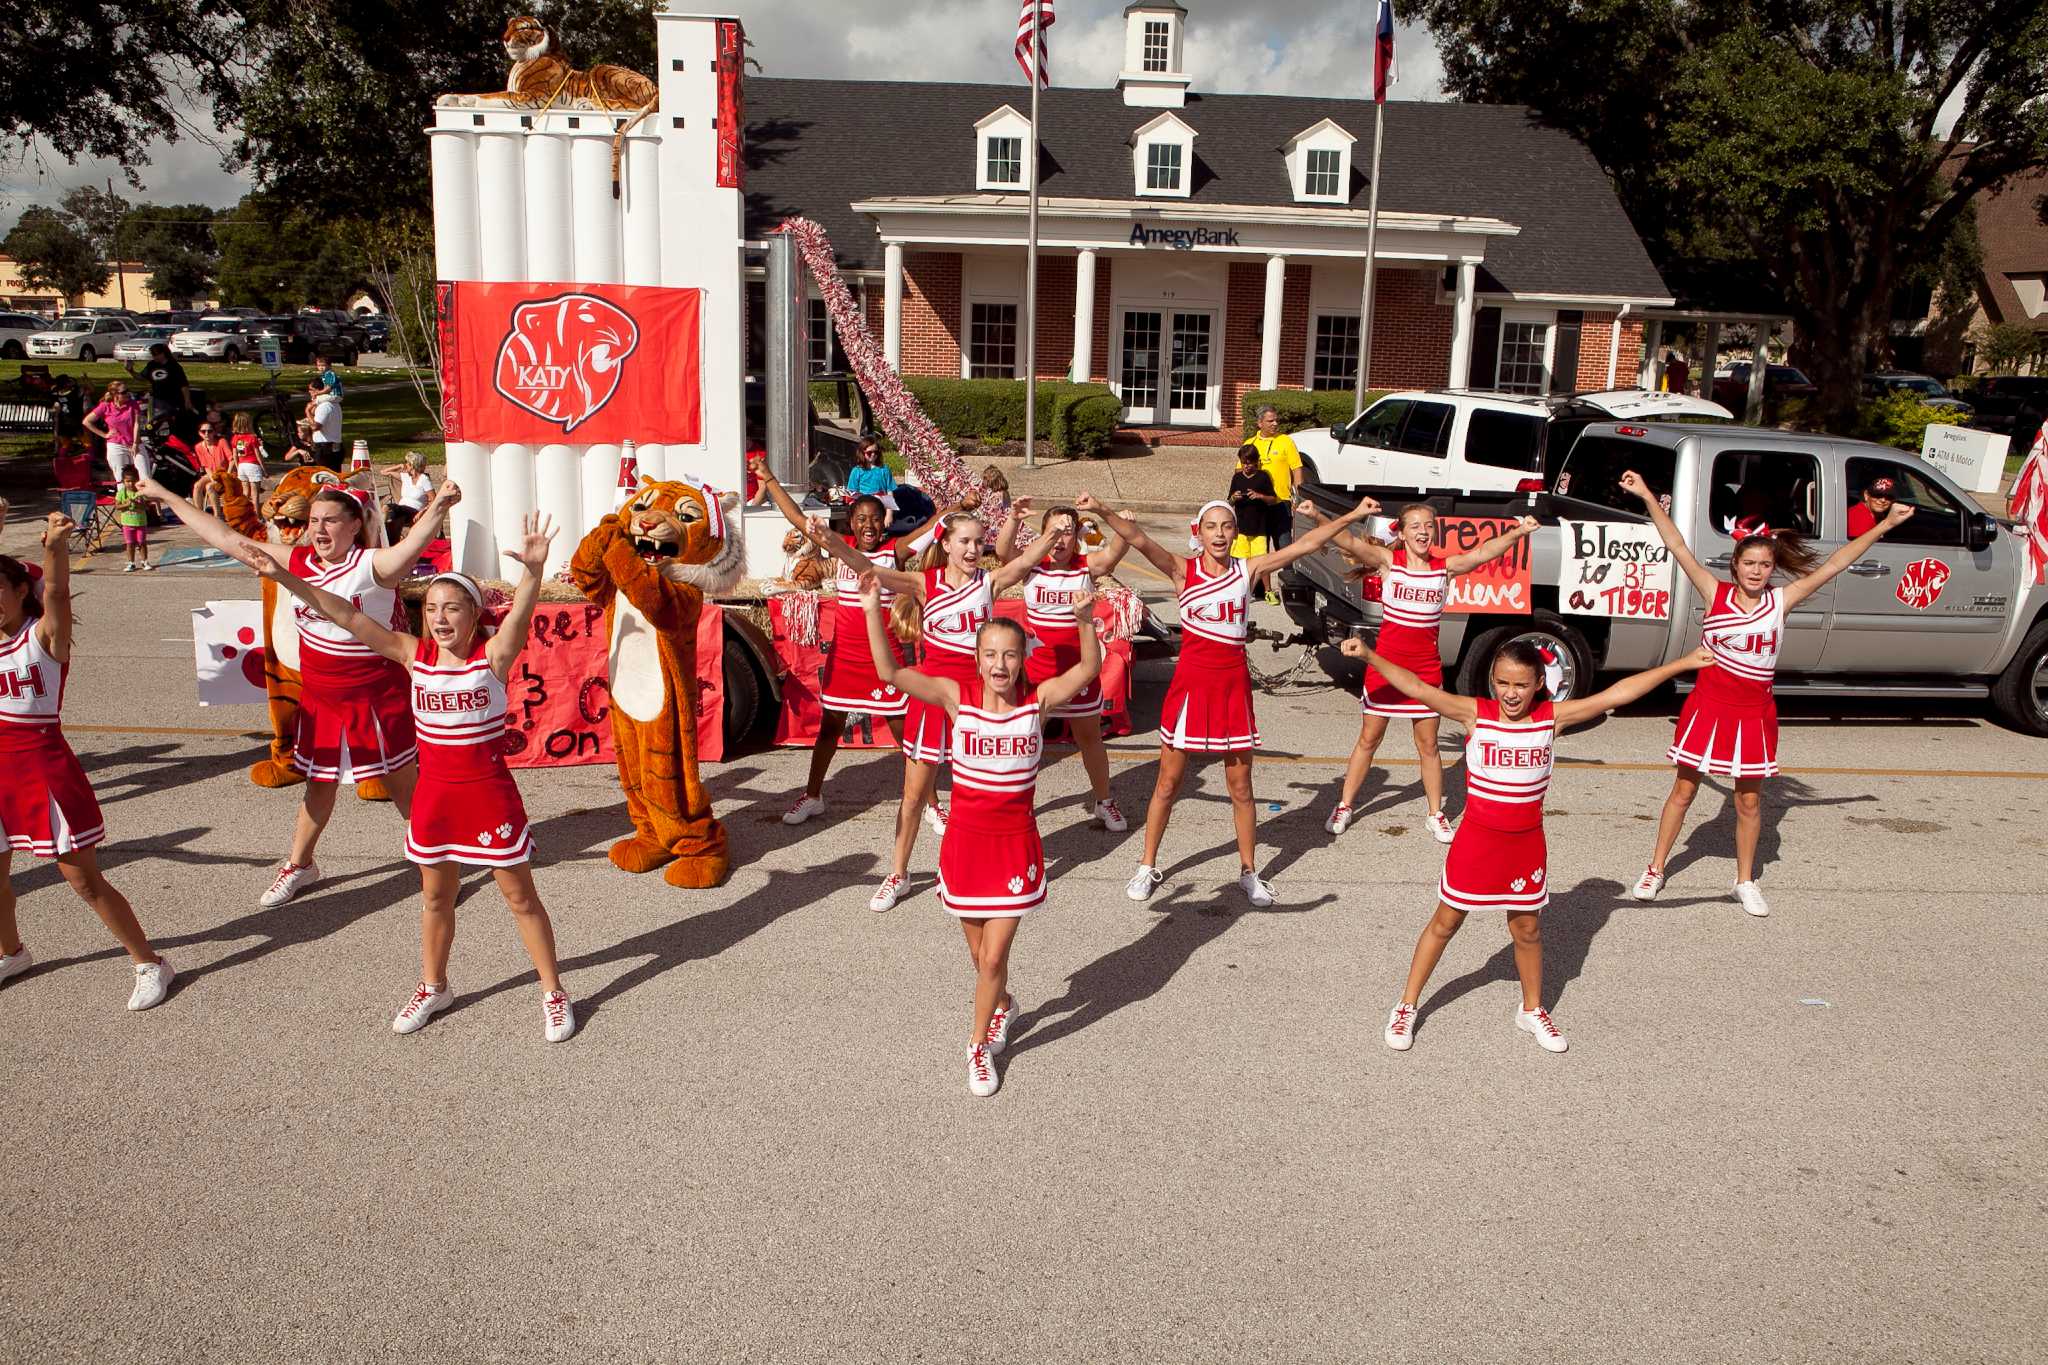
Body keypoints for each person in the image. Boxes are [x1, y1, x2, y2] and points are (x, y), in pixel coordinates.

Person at [237, 514, 575, 1041]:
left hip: (489, 799)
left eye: (453, 609)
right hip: (434, 800)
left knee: (520, 898)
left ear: (473, 615)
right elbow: (346, 616)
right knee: (436, 899)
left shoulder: (492, 658)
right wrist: (287, 581)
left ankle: (553, 992)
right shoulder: (411, 655)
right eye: (433, 608)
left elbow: (520, 620)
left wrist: (533, 573)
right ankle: (435, 986)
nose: (441, 618)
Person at [1351, 636, 1714, 1054]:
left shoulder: (1551, 718)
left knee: (1527, 929)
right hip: (1477, 842)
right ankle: (1407, 1005)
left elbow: (1619, 692)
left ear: (1540, 682)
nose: (1511, 693)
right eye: (1503, 682)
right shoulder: (1475, 714)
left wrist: (1680, 664)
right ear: (1492, 680)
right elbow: (1417, 687)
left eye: (1521, 685)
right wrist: (1371, 656)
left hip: (1525, 845)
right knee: (1445, 923)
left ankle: (1532, 1008)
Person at [139, 469, 462, 906]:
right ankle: (301, 865)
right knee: (318, 785)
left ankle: (436, 868)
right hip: (321, 697)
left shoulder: (373, 566)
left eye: (330, 520)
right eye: (314, 521)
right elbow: (225, 537)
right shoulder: (298, 562)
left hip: (375, 697)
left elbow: (412, 546)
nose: (319, 529)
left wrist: (439, 505)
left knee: (402, 786)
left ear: (354, 525)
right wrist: (163, 492)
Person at [1618, 469, 1915, 915]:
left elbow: (1835, 564)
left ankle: (1744, 880)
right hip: (1708, 706)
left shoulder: (1782, 601)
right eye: (1749, 563)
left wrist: (1884, 525)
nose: (1757, 571)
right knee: (1683, 791)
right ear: (1734, 565)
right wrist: (1645, 495)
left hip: (1753, 711)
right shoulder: (1713, 592)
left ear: (1772, 569)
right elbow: (1677, 546)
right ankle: (1655, 868)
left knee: (1750, 800)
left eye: (1765, 565)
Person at [858, 567, 1102, 1096]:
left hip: (1015, 846)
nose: (1000, 664)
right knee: (978, 958)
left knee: (992, 957)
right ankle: (1005, 1005)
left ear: (1023, 658)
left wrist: (1085, 620)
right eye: (990, 654)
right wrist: (872, 608)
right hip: (964, 845)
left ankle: (977, 1047)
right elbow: (889, 672)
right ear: (976, 657)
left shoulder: (1037, 702)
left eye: (1010, 655)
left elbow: (1086, 668)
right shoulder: (954, 695)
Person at [1078, 490, 1377, 906]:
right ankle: (1147, 865)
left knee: (1241, 787)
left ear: (1237, 532)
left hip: (1233, 690)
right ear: (1198, 533)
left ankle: (1248, 872)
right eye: (1211, 526)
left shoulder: (1247, 569)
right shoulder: (1182, 572)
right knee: (1167, 783)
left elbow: (1305, 544)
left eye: (1227, 525)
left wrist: (1353, 514)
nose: (1220, 533)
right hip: (1189, 690)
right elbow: (1140, 539)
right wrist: (1103, 510)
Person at [807, 503, 1058, 912]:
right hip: (932, 695)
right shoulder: (925, 583)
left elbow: (1027, 561)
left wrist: (1052, 531)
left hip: (978, 699)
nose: (974, 549)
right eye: (965, 541)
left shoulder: (988, 583)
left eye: (979, 542)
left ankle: (970, 866)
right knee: (913, 795)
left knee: (971, 794)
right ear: (946, 543)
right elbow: (865, 566)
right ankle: (899, 873)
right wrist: (830, 540)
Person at [0, 508, 174, 1009]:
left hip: (42, 771)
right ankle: (11, 952)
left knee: (83, 881)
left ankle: (150, 963)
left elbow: (54, 594)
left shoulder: (43, 641)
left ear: (18, 594)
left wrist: (53, 547)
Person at [1307, 502, 1540, 841]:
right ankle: (1344, 804)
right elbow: (1348, 542)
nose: (1423, 531)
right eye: (1415, 525)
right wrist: (1316, 515)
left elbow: (1484, 553)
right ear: (1401, 533)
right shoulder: (1389, 563)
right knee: (1369, 739)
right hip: (1385, 666)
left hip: (1425, 669)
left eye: (1429, 526)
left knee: (1428, 744)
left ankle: (1435, 813)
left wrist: (1518, 531)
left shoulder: (1444, 569)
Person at [749, 455, 937, 826]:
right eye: (860, 519)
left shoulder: (893, 553)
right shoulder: (841, 548)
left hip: (884, 662)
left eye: (874, 518)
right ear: (850, 523)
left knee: (904, 734)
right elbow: (796, 519)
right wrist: (769, 479)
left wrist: (957, 506)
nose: (868, 525)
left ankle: (930, 803)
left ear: (885, 522)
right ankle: (813, 795)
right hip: (845, 659)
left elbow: (932, 528)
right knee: (830, 729)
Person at [995, 497, 1134, 832]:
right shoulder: (1032, 565)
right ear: (1042, 535)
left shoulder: (1087, 566)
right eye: (1053, 531)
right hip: (1036, 672)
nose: (1060, 539)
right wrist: (1013, 518)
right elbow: (1003, 552)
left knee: (1089, 738)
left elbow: (1117, 550)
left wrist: (1122, 521)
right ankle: (1017, 803)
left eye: (1067, 532)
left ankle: (1104, 802)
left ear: (1078, 536)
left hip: (1078, 670)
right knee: (1027, 740)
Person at [1248, 405, 1303, 550]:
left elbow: (1297, 470)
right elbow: (1240, 471)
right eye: (1270, 421)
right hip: (1258, 504)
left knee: (1285, 549)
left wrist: (1298, 497)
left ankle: (1288, 573)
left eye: (1276, 420)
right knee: (1260, 551)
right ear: (1260, 423)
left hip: (1281, 502)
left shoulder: (1286, 441)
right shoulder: (1250, 444)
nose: (1275, 424)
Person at [83, 378, 148, 480]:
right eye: (124, 392)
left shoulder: (133, 404)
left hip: (135, 443)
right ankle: (124, 495)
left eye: (128, 390)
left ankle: (145, 495)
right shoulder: (105, 406)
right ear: (115, 395)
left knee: (145, 477)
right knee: (120, 478)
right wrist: (104, 435)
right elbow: (87, 421)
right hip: (116, 445)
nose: (128, 394)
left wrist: (135, 443)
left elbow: (136, 424)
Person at [1226, 443, 1278, 559]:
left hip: (1259, 529)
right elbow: (1229, 503)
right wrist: (1234, 497)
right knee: (1239, 561)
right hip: (1241, 529)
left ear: (1256, 461)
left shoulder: (1263, 477)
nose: (1246, 466)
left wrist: (1260, 496)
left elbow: (1273, 499)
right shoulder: (1237, 478)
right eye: (1243, 462)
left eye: (1249, 463)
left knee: (1260, 562)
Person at [125, 343, 192, 429]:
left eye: (156, 354)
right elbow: (141, 377)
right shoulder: (151, 365)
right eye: (153, 355)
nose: (154, 357)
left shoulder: (174, 366)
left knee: (164, 420)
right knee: (149, 418)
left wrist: (187, 400)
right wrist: (131, 371)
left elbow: (184, 385)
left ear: (163, 353)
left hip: (171, 399)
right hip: (156, 398)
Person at [381, 451, 434, 542]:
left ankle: (382, 537)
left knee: (386, 508)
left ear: (413, 465)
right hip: (402, 509)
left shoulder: (424, 479)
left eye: (407, 464)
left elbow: (433, 499)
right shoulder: (405, 477)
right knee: (393, 519)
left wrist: (422, 511)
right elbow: (383, 472)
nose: (406, 465)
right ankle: (389, 539)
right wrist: (399, 466)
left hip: (415, 511)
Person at [112, 467, 157, 572]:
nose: (131, 484)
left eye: (133, 481)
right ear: (123, 481)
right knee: (130, 544)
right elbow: (117, 506)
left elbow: (146, 507)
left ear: (137, 480)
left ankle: (145, 561)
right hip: (127, 524)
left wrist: (138, 504)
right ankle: (131, 562)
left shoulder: (140, 492)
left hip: (140, 523)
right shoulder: (122, 493)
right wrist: (127, 504)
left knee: (142, 542)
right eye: (128, 481)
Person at [191, 417, 234, 516]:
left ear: (214, 432)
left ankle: (217, 515)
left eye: (209, 431)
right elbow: (205, 466)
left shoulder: (221, 442)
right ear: (200, 433)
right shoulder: (198, 447)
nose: (206, 433)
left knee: (209, 486)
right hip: (212, 473)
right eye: (203, 431)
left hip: (226, 472)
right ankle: (200, 515)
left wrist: (226, 475)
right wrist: (213, 478)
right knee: (197, 486)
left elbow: (232, 460)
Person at [229, 411, 267, 503]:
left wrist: (238, 468)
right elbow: (258, 456)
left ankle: (245, 513)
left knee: (245, 492)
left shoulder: (235, 438)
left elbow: (236, 455)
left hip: (242, 466)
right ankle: (258, 515)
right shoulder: (252, 437)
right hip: (253, 465)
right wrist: (264, 470)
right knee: (255, 494)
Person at [1845, 474, 1898, 539]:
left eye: (1889, 497)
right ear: (1866, 495)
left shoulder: (1876, 515)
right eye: (1878, 495)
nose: (1883, 500)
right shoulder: (1859, 520)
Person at [307, 380, 343, 471]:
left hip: (325, 448)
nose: (309, 392)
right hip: (334, 445)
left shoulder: (324, 406)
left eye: (311, 389)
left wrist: (307, 411)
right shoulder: (335, 404)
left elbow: (316, 427)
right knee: (334, 477)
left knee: (324, 477)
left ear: (318, 390)